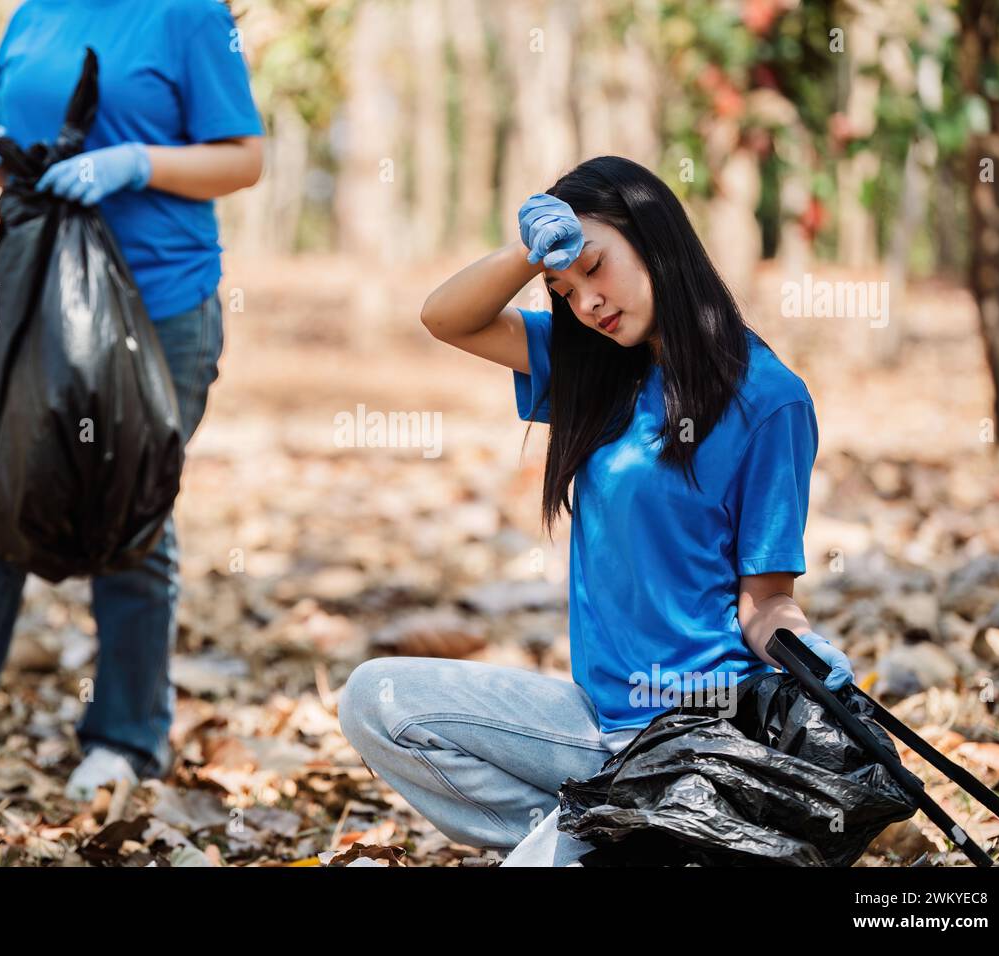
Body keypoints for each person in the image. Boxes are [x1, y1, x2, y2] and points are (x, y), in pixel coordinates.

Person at [337, 156, 855, 863]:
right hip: (591, 726)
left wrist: (803, 653)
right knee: (377, 696)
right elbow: (445, 317)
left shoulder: (770, 399)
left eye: (595, 266)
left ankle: (633, 838)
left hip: (697, 733)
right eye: (563, 288)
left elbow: (762, 601)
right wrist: (530, 252)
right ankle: (619, 837)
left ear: (653, 237)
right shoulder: (592, 368)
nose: (586, 303)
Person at [0, 0, 265, 799]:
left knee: (129, 513)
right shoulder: (33, 16)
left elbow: (243, 159)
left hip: (158, 309)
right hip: (42, 305)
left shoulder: (188, 15)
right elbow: (37, 152)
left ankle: (126, 744)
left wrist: (136, 162)